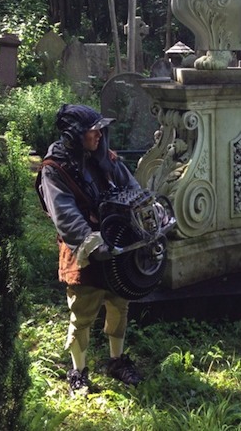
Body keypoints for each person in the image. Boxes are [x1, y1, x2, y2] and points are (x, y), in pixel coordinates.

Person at [37, 103, 144, 396]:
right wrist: (93, 243)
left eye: (100, 130)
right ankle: (78, 371)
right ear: (75, 134)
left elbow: (131, 189)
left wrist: (144, 218)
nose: (99, 135)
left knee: (119, 305)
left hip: (117, 245)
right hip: (84, 251)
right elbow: (65, 214)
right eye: (92, 130)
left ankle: (117, 361)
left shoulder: (103, 159)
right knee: (82, 313)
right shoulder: (54, 169)